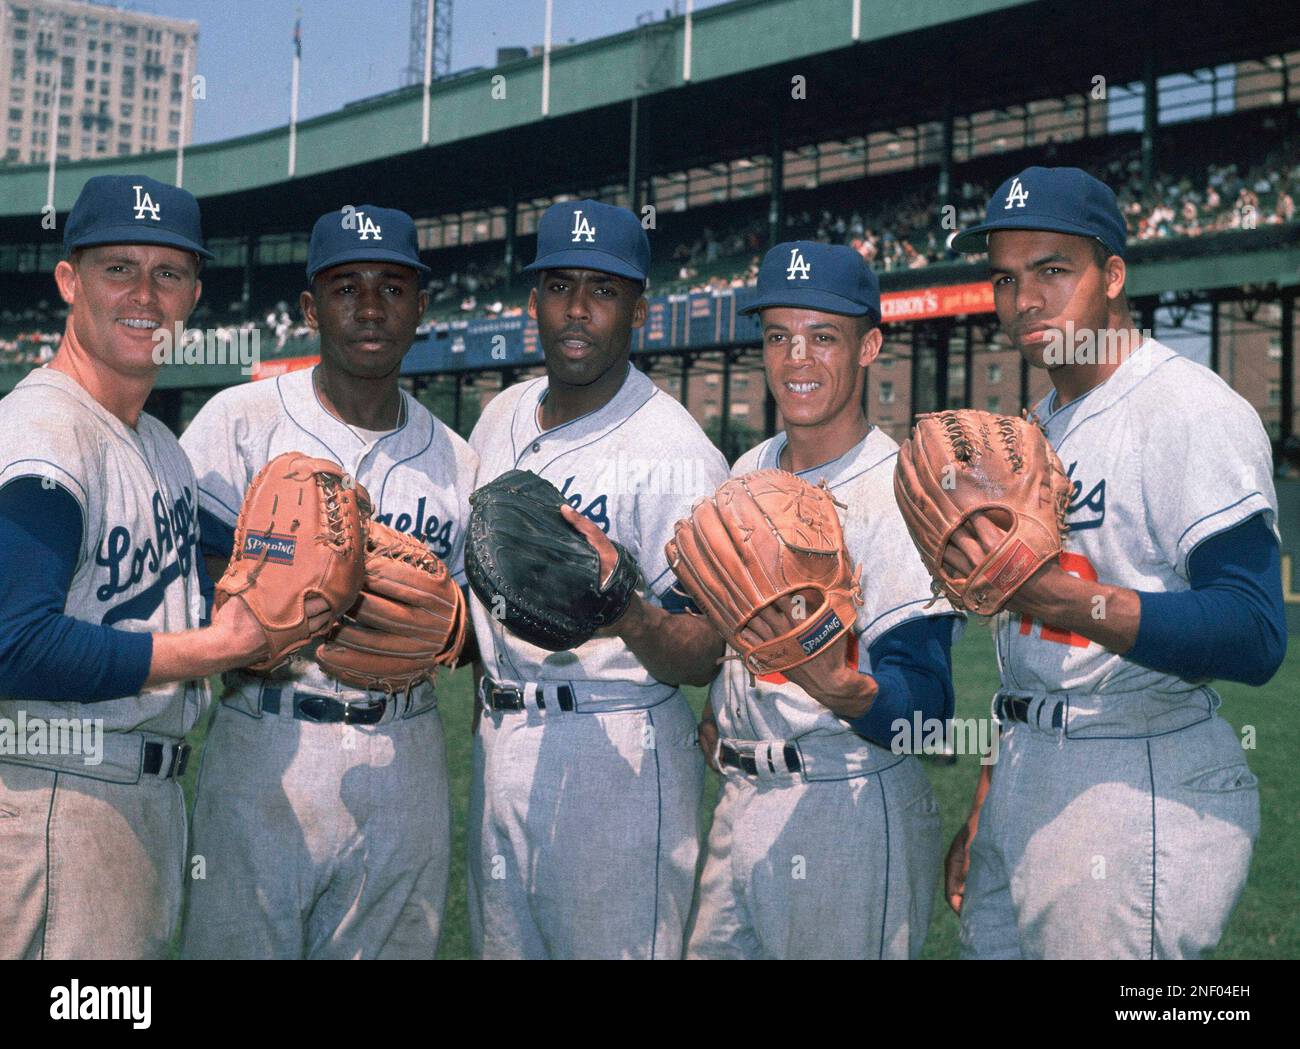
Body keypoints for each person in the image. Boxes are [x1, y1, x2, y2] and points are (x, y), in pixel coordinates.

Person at [943, 166, 1286, 959]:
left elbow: (1254, 627)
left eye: (1053, 269)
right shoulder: (1033, 430)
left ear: (1114, 276)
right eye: (1006, 277)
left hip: (1133, 777)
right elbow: (1034, 659)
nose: (1024, 298)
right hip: (1029, 766)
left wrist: (1057, 597)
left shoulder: (1188, 409)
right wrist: (989, 800)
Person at [179, 205, 478, 959]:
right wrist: (274, 601)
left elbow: (473, 636)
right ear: (311, 308)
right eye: (346, 287)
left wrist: (451, 629)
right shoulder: (237, 421)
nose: (370, 307)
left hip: (403, 752)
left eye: (392, 286)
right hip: (264, 747)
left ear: (421, 305)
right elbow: (181, 584)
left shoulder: (457, 460)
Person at [0, 175, 272, 959]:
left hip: (139, 801)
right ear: (68, 281)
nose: (145, 294)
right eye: (119, 267)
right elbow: (14, 644)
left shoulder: (158, 446)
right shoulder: (47, 430)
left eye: (169, 272)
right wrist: (211, 650)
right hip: (59, 794)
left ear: (193, 294)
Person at [466, 199, 730, 959]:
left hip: (616, 747)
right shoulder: (501, 415)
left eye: (604, 290)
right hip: (499, 736)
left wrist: (631, 616)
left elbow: (707, 649)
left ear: (639, 310)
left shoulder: (676, 448)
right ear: (533, 302)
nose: (577, 309)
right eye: (559, 286)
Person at [686, 242, 962, 959]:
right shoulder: (748, 468)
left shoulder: (901, 486)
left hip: (848, 803)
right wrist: (722, 705)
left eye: (822, 336)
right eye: (779, 336)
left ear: (870, 345)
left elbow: (928, 710)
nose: (796, 358)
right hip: (742, 803)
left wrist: (843, 688)